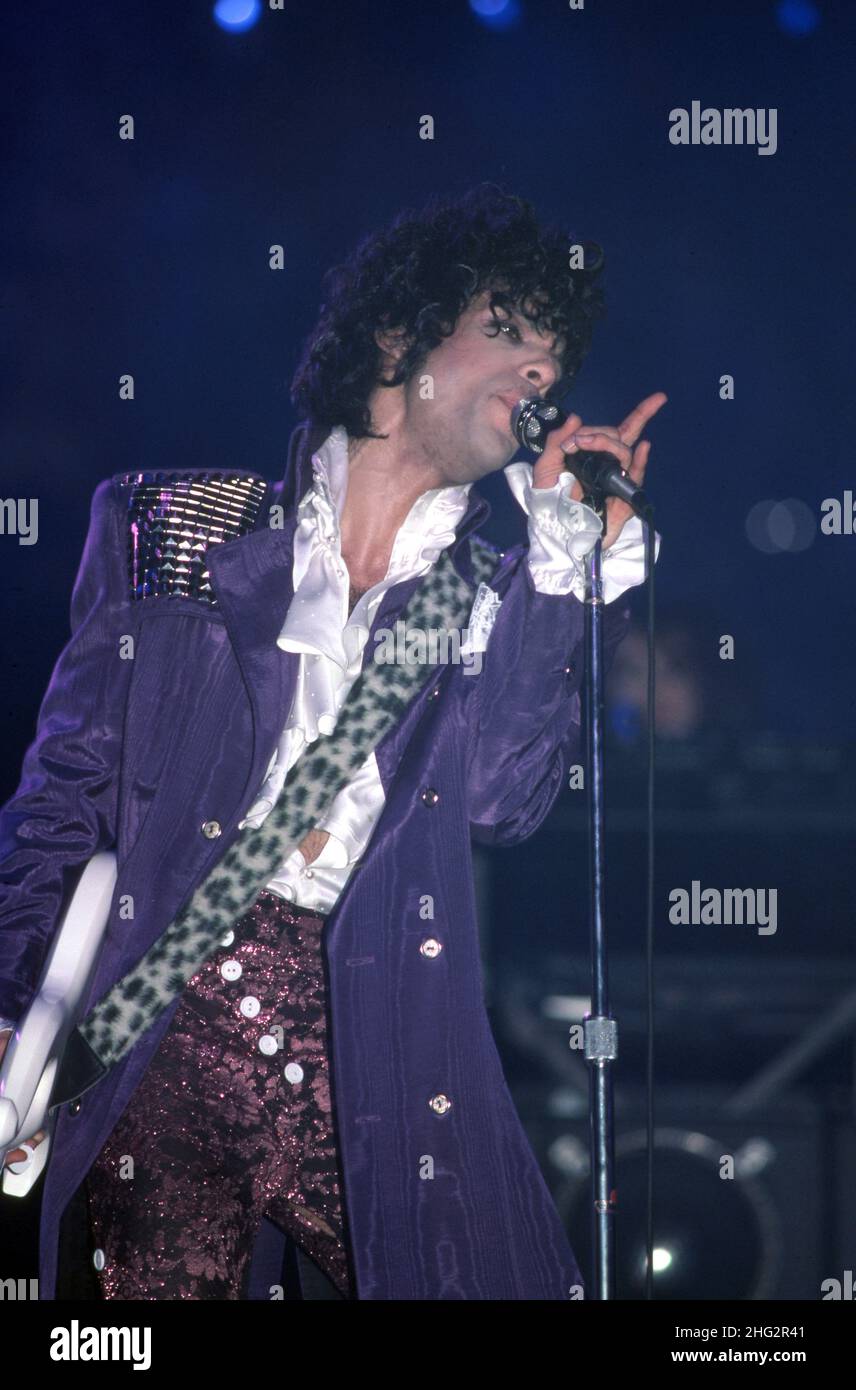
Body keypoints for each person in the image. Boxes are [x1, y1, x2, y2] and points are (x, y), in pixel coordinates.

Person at [0, 183, 664, 1300]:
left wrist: (563, 576)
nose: (534, 380)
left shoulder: (494, 597)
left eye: (550, 364)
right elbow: (63, 795)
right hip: (162, 1020)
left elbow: (505, 800)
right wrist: (13, 1000)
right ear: (400, 342)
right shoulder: (169, 524)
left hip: (381, 1032)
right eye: (503, 333)